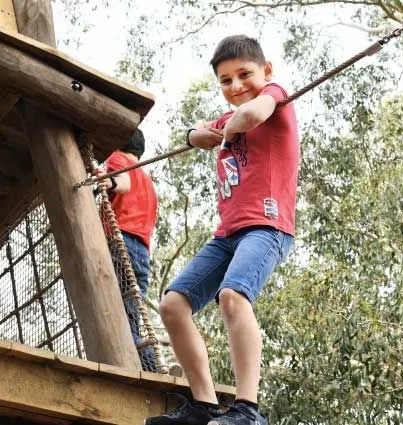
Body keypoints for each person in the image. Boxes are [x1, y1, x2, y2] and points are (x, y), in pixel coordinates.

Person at [145, 35, 299, 425]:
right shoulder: (228, 118)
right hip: (227, 234)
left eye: (244, 74)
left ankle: (248, 410)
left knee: (232, 296)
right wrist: (191, 135)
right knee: (172, 305)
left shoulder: (276, 96)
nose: (236, 86)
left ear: (266, 70)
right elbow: (196, 132)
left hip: (267, 226)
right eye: (225, 81)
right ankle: (203, 404)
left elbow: (249, 116)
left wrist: (215, 130)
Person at [95, 128, 159, 371]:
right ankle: (150, 363)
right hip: (141, 252)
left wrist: (108, 180)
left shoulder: (117, 158)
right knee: (132, 314)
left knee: (119, 317)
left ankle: (148, 366)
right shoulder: (148, 182)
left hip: (121, 243)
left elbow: (121, 182)